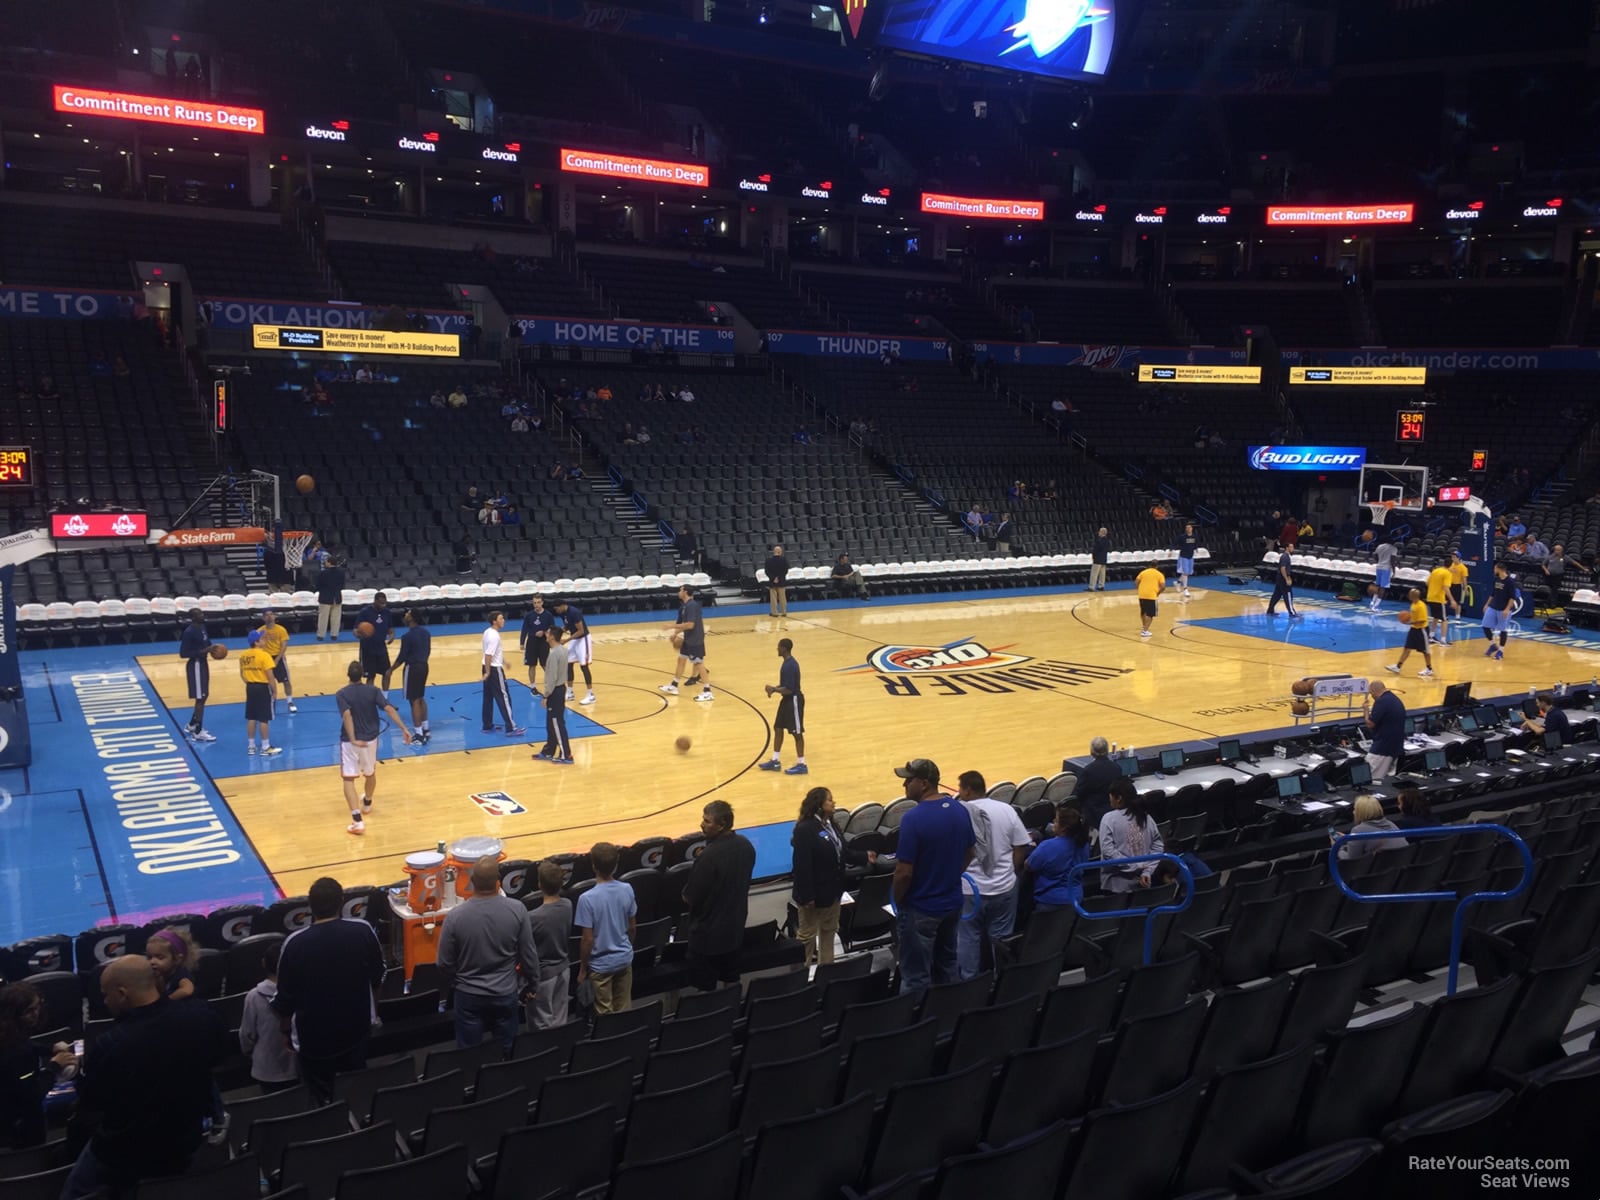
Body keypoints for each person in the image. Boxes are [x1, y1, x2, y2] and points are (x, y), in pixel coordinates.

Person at [59, 956, 226, 1199]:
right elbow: (218, 1058)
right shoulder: (203, 1017)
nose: (105, 1001)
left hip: (126, 1152)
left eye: (106, 994)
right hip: (186, 1137)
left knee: (74, 1191)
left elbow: (92, 1103)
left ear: (123, 994)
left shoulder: (111, 1044)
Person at [272, 876, 387, 1102]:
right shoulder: (363, 931)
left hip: (314, 1039)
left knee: (319, 1096)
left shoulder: (294, 943)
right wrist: (373, 1015)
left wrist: (286, 1033)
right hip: (356, 1030)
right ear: (342, 901)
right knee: (355, 1089)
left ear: (309, 907)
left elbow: (285, 999)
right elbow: (377, 979)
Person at [437, 858, 540, 1055]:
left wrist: (458, 980)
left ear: (472, 881)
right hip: (504, 992)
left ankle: (470, 1084)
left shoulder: (455, 917)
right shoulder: (517, 909)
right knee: (507, 1049)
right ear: (498, 882)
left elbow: (443, 963)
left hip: (468, 994)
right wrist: (532, 984)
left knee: (469, 1052)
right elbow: (528, 955)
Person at [890, 759, 975, 993]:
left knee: (915, 976)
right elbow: (970, 852)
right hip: (953, 904)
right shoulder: (959, 810)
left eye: (909, 779)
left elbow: (903, 873)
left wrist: (897, 900)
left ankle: (915, 1027)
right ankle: (949, 1019)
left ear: (924, 783)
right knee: (947, 966)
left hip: (922, 908)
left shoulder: (912, 819)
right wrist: (949, 875)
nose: (905, 784)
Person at [956, 770, 1034, 980]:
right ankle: (1002, 985)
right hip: (1004, 887)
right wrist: (1010, 870)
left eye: (960, 788)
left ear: (968, 790)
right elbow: (1021, 846)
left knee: (968, 940)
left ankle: (969, 990)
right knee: (1001, 942)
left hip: (969, 891)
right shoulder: (1006, 809)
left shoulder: (959, 813)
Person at [789, 787, 874, 965]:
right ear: (819, 805)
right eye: (829, 800)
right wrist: (807, 896)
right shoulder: (805, 829)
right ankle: (799, 976)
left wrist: (864, 856)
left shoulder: (832, 825)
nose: (833, 802)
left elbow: (843, 852)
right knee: (806, 937)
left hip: (833, 892)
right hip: (812, 895)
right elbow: (801, 866)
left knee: (829, 933)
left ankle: (826, 973)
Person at [682, 801, 756, 991]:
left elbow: (692, 897)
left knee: (705, 991)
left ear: (722, 825)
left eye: (707, 821)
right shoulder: (746, 846)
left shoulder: (708, 856)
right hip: (735, 930)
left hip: (708, 937)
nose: (702, 824)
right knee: (731, 983)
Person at [337, 661, 412, 836]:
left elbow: (347, 715)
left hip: (350, 741)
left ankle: (357, 821)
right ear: (363, 675)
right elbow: (389, 709)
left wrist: (354, 738)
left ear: (348, 675)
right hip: (370, 739)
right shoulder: (373, 690)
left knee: (348, 779)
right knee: (370, 773)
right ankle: (368, 803)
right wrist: (403, 728)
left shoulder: (342, 694)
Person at [0, 982, 74, 1150]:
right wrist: (54, 1066)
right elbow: (33, 1094)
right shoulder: (16, 1055)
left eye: (37, 1007)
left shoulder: (8, 1031)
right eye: (29, 1012)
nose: (36, 1014)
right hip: (19, 1126)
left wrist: (49, 1049)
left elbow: (24, 1044)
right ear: (13, 1015)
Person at [575, 843, 637, 1014]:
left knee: (604, 1015)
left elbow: (587, 940)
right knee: (624, 1010)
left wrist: (582, 969)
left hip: (600, 965)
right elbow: (632, 928)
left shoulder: (586, 899)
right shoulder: (627, 889)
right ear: (616, 865)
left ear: (593, 866)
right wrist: (627, 948)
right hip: (624, 959)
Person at [238, 942, 298, 1093]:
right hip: (298, 1064)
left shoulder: (254, 996)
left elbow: (247, 1034)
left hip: (267, 1068)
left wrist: (249, 1052)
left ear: (264, 963)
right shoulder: (301, 989)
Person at [525, 862, 573, 1029]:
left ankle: (545, 1053)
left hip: (544, 976)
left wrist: (529, 982)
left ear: (539, 885)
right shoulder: (568, 905)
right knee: (560, 1019)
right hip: (564, 969)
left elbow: (527, 952)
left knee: (541, 1023)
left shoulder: (532, 917)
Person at [1097, 779, 1164, 892]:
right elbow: (1158, 846)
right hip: (1143, 881)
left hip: (1116, 885)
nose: (1109, 799)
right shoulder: (1147, 817)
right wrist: (1147, 870)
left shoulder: (1108, 819)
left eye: (1111, 796)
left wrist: (1134, 866)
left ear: (1118, 798)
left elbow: (1107, 851)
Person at [1025, 806, 1093, 912]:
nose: (1053, 822)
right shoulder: (1084, 844)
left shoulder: (1048, 846)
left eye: (1056, 821)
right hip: (1076, 898)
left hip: (1050, 900)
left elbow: (1028, 866)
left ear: (1063, 828)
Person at [759, 637, 806, 774]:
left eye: (778, 647)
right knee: (778, 728)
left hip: (794, 701)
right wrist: (775, 688)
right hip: (787, 700)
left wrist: (774, 690)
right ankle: (775, 761)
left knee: (797, 733)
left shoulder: (790, 665)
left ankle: (802, 764)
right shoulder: (786, 663)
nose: (777, 649)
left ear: (784, 648)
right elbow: (784, 686)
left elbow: (790, 690)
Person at [660, 584, 713, 702]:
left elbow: (690, 625)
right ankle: (674, 686)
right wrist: (675, 634)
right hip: (688, 638)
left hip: (695, 639)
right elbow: (683, 623)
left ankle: (707, 692)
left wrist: (670, 626)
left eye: (680, 590)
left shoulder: (692, 606)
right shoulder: (684, 606)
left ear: (685, 592)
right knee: (681, 659)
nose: (679, 592)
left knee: (699, 664)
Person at [533, 625, 573, 763]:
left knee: (556, 723)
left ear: (551, 636)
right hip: (560, 688)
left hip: (555, 691)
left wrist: (546, 695)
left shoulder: (554, 654)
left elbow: (551, 677)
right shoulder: (563, 650)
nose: (545, 634)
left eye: (547, 632)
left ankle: (566, 754)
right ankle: (549, 751)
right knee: (551, 723)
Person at [238, 630, 281, 756]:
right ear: (256, 642)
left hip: (250, 687)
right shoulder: (264, 655)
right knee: (264, 718)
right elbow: (270, 676)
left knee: (251, 717)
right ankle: (265, 747)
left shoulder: (243, 655)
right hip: (262, 687)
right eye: (262, 639)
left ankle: (251, 746)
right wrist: (274, 691)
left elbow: (242, 674)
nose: (264, 640)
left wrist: (250, 682)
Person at [392, 609, 432, 745]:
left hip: (413, 667)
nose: (405, 615)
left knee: (413, 700)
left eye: (407, 613)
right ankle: (426, 730)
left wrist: (391, 670)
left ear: (412, 618)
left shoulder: (407, 637)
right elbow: (428, 650)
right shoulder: (426, 633)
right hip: (424, 666)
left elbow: (402, 657)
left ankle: (419, 735)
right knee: (420, 698)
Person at [480, 611, 524, 736]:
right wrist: (488, 672)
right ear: (495, 621)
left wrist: (504, 662)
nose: (503, 620)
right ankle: (511, 727)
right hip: (494, 670)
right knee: (504, 697)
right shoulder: (494, 636)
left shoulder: (487, 632)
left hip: (486, 666)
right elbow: (489, 654)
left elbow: (492, 653)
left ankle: (487, 725)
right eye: (501, 618)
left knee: (488, 697)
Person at [177, 608, 216, 742]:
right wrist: (205, 650)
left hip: (203, 664)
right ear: (193, 617)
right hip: (195, 665)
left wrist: (214, 649)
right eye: (199, 614)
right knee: (200, 698)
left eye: (202, 613)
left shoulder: (203, 627)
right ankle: (198, 732)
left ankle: (192, 724)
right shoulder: (189, 632)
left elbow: (207, 643)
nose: (202, 615)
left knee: (204, 696)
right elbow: (183, 653)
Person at [550, 600, 596, 705]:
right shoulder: (562, 613)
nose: (556, 611)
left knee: (584, 666)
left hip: (583, 639)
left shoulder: (574, 612)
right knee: (568, 664)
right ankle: (570, 693)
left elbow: (581, 631)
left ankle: (591, 695)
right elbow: (567, 626)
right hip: (574, 639)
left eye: (557, 609)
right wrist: (559, 632)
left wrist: (566, 640)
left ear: (562, 605)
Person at [1071, 736, 1121, 831]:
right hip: (1112, 810)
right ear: (1107, 750)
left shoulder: (1089, 770)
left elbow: (1079, 793)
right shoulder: (1117, 768)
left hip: (1093, 813)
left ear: (1092, 751)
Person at [1334, 795, 1407, 860]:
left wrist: (1337, 847)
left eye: (1355, 809)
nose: (1353, 812)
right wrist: (1348, 839)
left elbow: (1351, 860)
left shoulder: (1358, 831)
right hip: (1398, 869)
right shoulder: (1391, 824)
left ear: (1361, 812)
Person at [1386, 588, 1435, 677]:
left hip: (1421, 630)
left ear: (1414, 596)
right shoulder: (1413, 604)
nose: (1408, 595)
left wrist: (1409, 622)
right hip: (1414, 629)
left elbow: (1423, 620)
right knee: (1407, 648)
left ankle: (1429, 669)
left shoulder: (1421, 606)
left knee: (1425, 651)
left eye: (1410, 594)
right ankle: (1398, 666)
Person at [256, 609, 297, 715]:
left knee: (286, 681)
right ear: (263, 618)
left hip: (278, 657)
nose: (269, 617)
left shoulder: (281, 630)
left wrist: (277, 659)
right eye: (267, 615)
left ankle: (290, 702)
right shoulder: (260, 631)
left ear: (275, 617)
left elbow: (284, 646)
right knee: (266, 683)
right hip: (265, 657)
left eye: (271, 615)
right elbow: (257, 646)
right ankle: (268, 702)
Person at [1364, 679, 1406, 780]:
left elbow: (1370, 724)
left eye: (1371, 693)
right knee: (1388, 780)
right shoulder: (1394, 699)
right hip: (1396, 746)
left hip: (1383, 748)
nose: (1372, 696)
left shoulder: (1381, 702)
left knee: (1370, 778)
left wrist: (1365, 711)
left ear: (1373, 692)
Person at [353, 592, 396, 688]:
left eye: (384, 603)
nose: (383, 605)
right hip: (368, 648)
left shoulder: (387, 612)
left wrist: (392, 635)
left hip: (381, 647)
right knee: (370, 676)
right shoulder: (365, 612)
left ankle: (385, 696)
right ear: (375, 601)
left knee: (387, 673)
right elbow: (355, 630)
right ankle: (370, 696)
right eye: (381, 603)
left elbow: (390, 627)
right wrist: (361, 635)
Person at [1480, 561, 1517, 660]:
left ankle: (1501, 651)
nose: (1494, 570)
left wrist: (1507, 609)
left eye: (1495, 568)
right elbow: (1493, 593)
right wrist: (1487, 604)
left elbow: (1512, 597)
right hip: (1493, 606)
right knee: (1485, 626)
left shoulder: (1510, 582)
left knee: (1503, 630)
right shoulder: (1496, 579)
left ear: (1500, 569)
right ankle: (1492, 645)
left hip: (1503, 609)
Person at [520, 594, 555, 690]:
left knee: (545, 664)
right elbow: (524, 629)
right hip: (531, 642)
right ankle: (532, 686)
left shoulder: (548, 615)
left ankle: (551, 684)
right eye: (534, 603)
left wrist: (544, 633)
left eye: (538, 602)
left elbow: (552, 629)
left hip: (544, 642)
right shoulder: (529, 615)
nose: (536, 605)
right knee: (531, 665)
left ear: (542, 603)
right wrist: (522, 642)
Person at [1425, 559, 1456, 646]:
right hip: (1439, 599)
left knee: (1436, 617)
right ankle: (1443, 640)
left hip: (1430, 597)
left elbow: (1427, 583)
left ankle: (1431, 636)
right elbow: (1446, 588)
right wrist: (1452, 600)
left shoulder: (1435, 571)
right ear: (1451, 565)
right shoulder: (1447, 574)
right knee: (1444, 619)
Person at [315, 555, 346, 640]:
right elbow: (342, 585)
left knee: (323, 617)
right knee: (336, 617)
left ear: (329, 562)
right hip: (337, 597)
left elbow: (318, 585)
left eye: (326, 562)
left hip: (325, 597)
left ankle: (321, 635)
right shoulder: (341, 572)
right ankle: (334, 635)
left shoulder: (323, 573)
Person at [1265, 542, 1298, 617]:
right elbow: (1283, 568)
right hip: (1283, 578)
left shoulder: (1286, 556)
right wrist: (1286, 578)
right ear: (1287, 548)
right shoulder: (1285, 557)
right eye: (1291, 547)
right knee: (1288, 595)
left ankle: (1270, 610)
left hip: (1279, 578)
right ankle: (1292, 612)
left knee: (1276, 595)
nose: (1293, 548)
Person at [1135, 562, 1165, 638]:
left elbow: (1136, 582)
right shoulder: (1159, 574)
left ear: (1150, 565)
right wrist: (1158, 593)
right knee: (1150, 614)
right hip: (1151, 596)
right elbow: (1163, 586)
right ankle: (1145, 631)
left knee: (1143, 612)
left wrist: (1140, 589)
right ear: (1157, 566)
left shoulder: (1143, 572)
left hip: (1142, 595)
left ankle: (1144, 626)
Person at [1174, 523, 1200, 597]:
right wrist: (1171, 550)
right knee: (1185, 573)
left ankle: (1178, 582)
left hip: (1190, 556)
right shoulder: (1182, 537)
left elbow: (1196, 544)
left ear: (1192, 529)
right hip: (1183, 556)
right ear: (1186, 529)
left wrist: (1196, 549)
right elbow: (1175, 543)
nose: (1188, 529)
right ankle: (1185, 589)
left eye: (1190, 528)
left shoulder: (1195, 536)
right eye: (1187, 528)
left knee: (1188, 573)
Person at [1370, 539, 1397, 610]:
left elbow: (1375, 556)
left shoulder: (1379, 546)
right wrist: (1394, 571)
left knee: (1377, 585)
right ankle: (1375, 606)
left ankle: (1372, 602)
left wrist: (1379, 561)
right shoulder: (1393, 548)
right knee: (1383, 587)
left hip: (1379, 567)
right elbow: (1392, 560)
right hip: (1386, 569)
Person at [764, 544, 790, 617]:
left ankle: (774, 612)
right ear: (780, 552)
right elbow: (786, 571)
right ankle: (784, 612)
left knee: (773, 598)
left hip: (772, 582)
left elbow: (767, 571)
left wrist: (773, 578)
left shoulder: (768, 560)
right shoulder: (784, 560)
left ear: (774, 551)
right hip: (781, 581)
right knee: (782, 598)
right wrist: (779, 577)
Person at [1090, 527, 1110, 591]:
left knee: (1094, 574)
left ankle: (1091, 587)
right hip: (1103, 559)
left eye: (1099, 531)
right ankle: (1101, 586)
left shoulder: (1099, 541)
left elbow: (1096, 550)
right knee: (1102, 574)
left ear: (1102, 532)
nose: (1098, 533)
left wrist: (1093, 556)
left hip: (1098, 559)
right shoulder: (1107, 541)